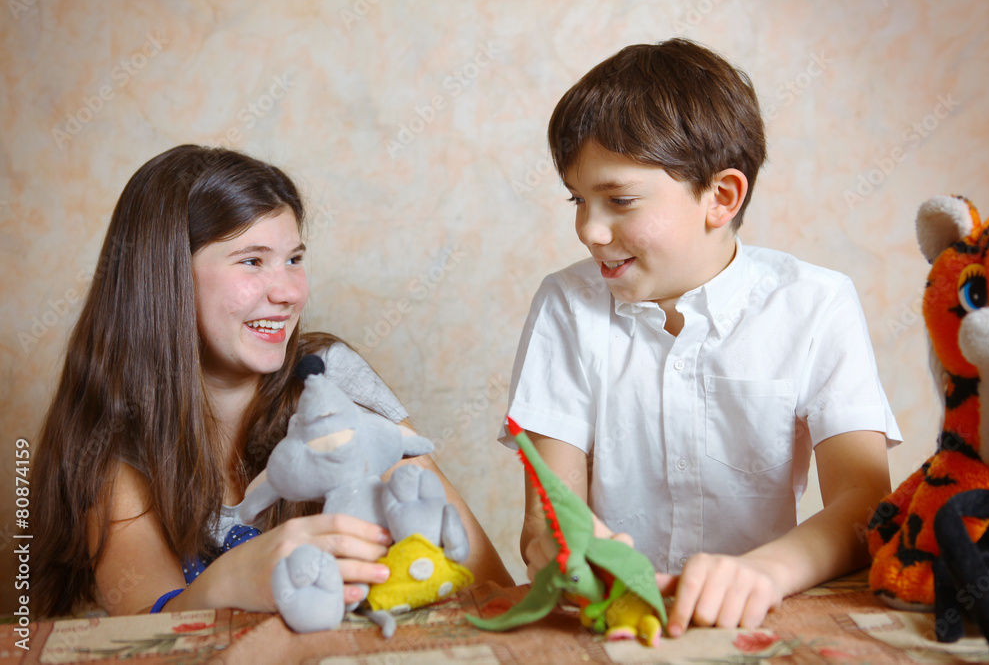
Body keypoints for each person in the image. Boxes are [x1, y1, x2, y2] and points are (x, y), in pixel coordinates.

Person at [503, 39, 901, 637]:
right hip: (613, 626)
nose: (589, 229)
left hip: (762, 619)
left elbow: (865, 503)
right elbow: (547, 515)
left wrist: (765, 573)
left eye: (619, 200)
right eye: (579, 200)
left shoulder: (816, 303)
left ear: (721, 197)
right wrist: (567, 551)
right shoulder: (566, 304)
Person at [32, 145, 512, 618]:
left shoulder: (328, 377)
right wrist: (233, 579)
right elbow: (145, 626)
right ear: (164, 277)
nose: (289, 293)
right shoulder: (109, 434)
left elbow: (488, 582)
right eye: (252, 261)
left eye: (294, 259)